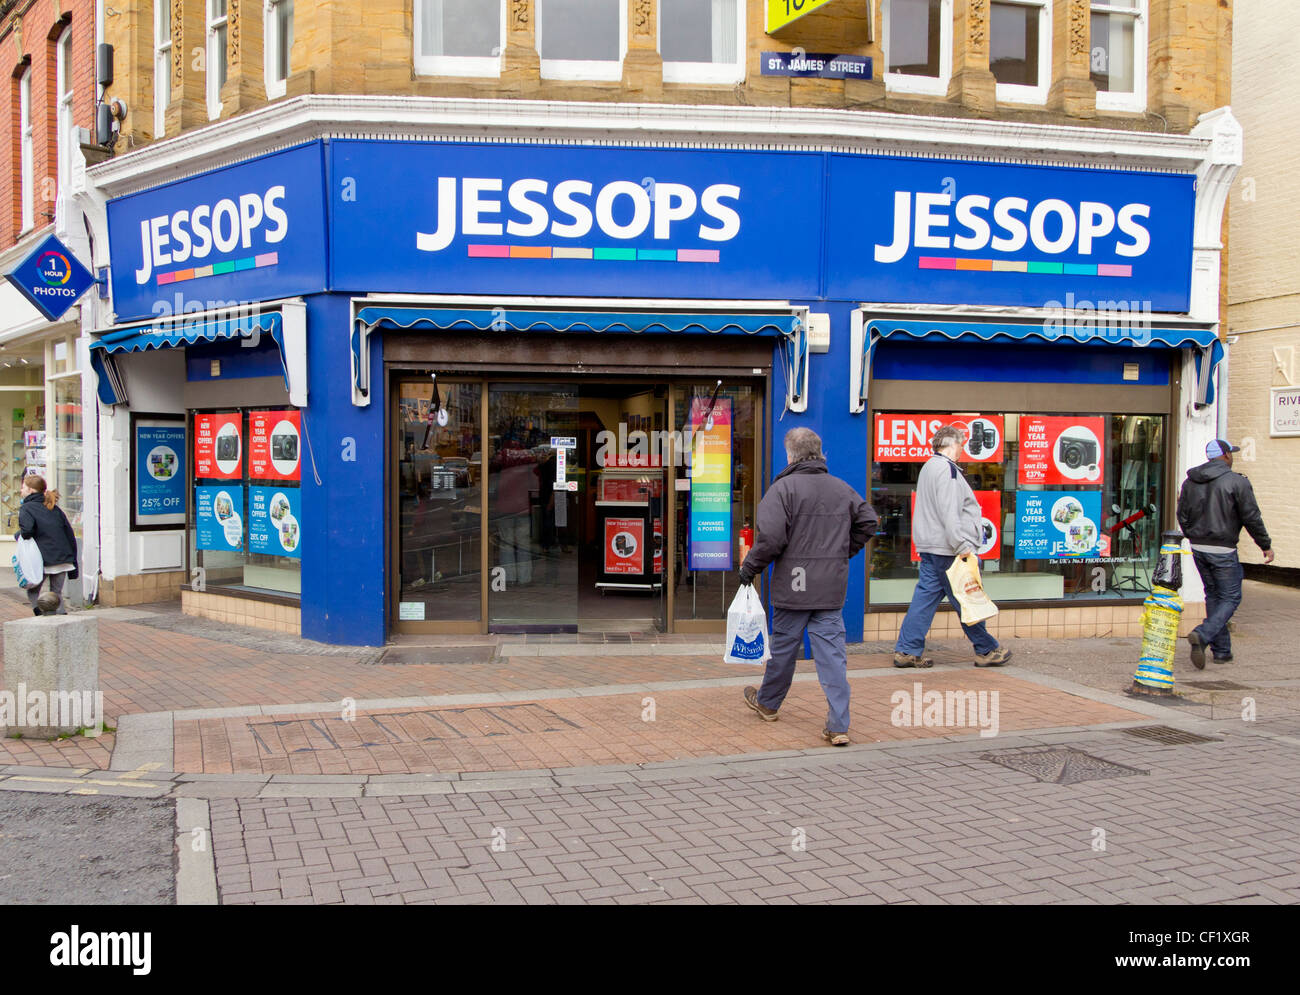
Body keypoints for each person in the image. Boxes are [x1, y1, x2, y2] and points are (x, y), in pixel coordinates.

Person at [737, 428, 878, 747]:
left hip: (793, 586)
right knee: (832, 656)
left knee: (784, 650)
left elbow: (770, 539)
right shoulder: (842, 489)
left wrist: (750, 569)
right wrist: (842, 552)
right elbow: (869, 521)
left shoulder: (782, 489)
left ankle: (769, 704)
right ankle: (838, 724)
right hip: (829, 588)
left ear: (790, 455)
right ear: (820, 452)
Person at [893, 425, 1012, 669]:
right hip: (948, 548)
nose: (962, 451)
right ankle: (987, 649)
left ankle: (907, 650)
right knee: (966, 597)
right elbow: (949, 511)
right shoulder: (947, 470)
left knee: (925, 599)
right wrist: (962, 545)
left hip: (931, 545)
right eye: (960, 445)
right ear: (951, 444)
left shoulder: (929, 467)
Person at [1176, 438, 1273, 668]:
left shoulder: (1190, 482)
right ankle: (1203, 633)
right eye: (1232, 453)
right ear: (1227, 455)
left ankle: (1222, 651)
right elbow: (1251, 517)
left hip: (1198, 547)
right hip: (1223, 549)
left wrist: (1192, 535)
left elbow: (1182, 514)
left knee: (1213, 595)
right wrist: (1265, 545)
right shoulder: (1237, 482)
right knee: (1231, 597)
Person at [16, 475, 79, 616]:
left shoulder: (27, 508)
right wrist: (73, 561)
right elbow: (69, 534)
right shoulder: (54, 508)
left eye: (23, 487)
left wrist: (18, 535)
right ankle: (61, 619)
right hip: (63, 558)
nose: (21, 490)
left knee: (33, 591)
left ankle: (41, 616)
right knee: (56, 593)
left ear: (31, 490)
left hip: (44, 558)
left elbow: (27, 532)